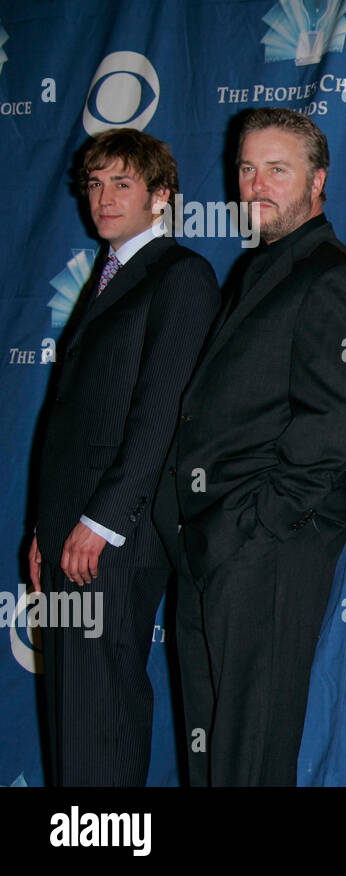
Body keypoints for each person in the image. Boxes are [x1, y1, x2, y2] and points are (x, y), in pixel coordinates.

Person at [157, 107, 346, 786]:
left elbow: (330, 426)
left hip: (264, 546)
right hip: (210, 542)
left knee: (249, 756)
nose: (255, 185)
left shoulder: (331, 277)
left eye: (276, 170)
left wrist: (255, 528)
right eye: (246, 168)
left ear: (318, 181)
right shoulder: (259, 268)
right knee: (209, 750)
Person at [27, 129, 218, 785]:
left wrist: (103, 520)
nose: (103, 198)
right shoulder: (110, 277)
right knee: (75, 706)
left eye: (123, 184)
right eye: (95, 183)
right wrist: (44, 531)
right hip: (70, 531)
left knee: (100, 706)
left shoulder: (180, 274)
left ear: (161, 197)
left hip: (113, 536)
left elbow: (162, 411)